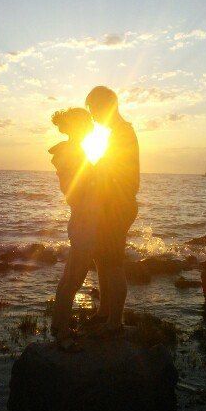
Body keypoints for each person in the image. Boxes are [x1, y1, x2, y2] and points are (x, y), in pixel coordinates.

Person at [84, 86, 140, 337]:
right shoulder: (116, 133)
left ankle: (115, 323)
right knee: (102, 259)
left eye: (94, 109)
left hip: (118, 206)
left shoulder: (122, 133)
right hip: (110, 206)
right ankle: (104, 312)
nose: (93, 116)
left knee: (113, 263)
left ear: (106, 107)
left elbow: (114, 173)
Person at [48, 107, 99, 352]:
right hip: (84, 221)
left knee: (69, 278)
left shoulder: (72, 151)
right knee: (73, 280)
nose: (91, 126)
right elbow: (76, 190)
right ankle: (62, 335)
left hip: (81, 219)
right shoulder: (71, 154)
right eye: (87, 123)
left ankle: (58, 326)